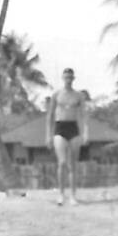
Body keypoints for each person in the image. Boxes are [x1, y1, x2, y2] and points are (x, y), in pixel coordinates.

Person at [46, 67, 90, 205]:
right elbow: (50, 115)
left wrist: (86, 133)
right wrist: (48, 135)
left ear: (73, 79)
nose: (68, 80)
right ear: (63, 78)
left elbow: (84, 115)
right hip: (60, 127)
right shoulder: (57, 94)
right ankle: (61, 194)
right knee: (62, 162)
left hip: (73, 127)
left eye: (70, 78)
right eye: (66, 77)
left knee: (73, 164)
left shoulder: (78, 96)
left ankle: (73, 196)